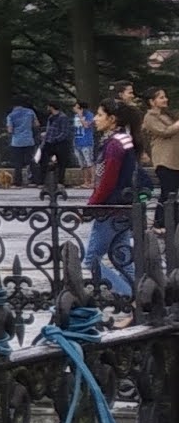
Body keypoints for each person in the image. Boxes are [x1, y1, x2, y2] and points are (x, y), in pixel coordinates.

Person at [83, 99, 138, 299]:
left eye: (99, 115)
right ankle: (145, 297)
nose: (95, 119)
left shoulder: (114, 145)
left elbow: (107, 180)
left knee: (92, 261)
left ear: (112, 119)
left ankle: (129, 297)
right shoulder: (124, 139)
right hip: (123, 206)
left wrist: (92, 204)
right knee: (122, 257)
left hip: (110, 208)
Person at [142, 87, 179, 230]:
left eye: (165, 97)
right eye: (161, 97)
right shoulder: (150, 117)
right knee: (167, 192)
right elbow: (164, 132)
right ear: (152, 101)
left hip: (175, 159)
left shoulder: (167, 115)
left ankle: (170, 221)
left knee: (172, 192)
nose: (165, 99)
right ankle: (159, 223)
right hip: (164, 160)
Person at [37, 100, 74, 190]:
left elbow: (64, 132)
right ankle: (43, 181)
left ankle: (60, 181)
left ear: (51, 107)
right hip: (49, 142)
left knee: (61, 163)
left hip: (60, 144)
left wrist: (55, 139)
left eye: (48, 106)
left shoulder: (63, 117)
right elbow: (51, 129)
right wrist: (46, 135)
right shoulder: (51, 117)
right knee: (43, 161)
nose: (47, 108)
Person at [5, 98, 37, 186]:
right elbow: (36, 124)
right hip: (29, 140)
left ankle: (18, 182)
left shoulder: (11, 116)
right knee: (31, 161)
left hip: (17, 142)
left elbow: (10, 130)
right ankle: (34, 180)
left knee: (18, 163)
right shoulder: (30, 112)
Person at [73, 102, 97, 169]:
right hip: (77, 142)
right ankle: (85, 179)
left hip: (86, 142)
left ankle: (92, 179)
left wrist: (81, 116)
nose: (74, 108)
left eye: (77, 107)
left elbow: (86, 126)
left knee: (89, 163)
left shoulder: (89, 115)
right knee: (82, 165)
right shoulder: (75, 116)